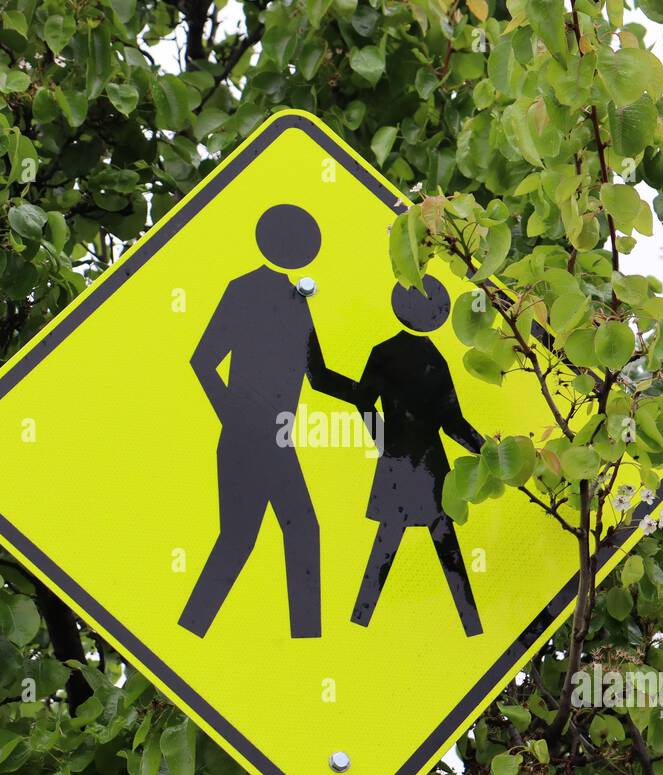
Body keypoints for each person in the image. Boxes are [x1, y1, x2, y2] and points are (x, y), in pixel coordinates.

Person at [179, 204, 357, 639]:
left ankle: (300, 641)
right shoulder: (243, 290)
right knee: (259, 537)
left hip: (273, 440)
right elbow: (202, 361)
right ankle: (192, 632)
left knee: (280, 534)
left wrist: (367, 394)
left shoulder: (297, 300)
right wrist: (235, 417)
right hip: (250, 439)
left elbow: (317, 375)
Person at [349, 275, 485, 637]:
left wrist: (385, 444)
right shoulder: (434, 360)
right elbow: (453, 422)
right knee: (445, 550)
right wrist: (488, 452)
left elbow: (363, 402)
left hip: (401, 465)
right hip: (428, 467)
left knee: (388, 547)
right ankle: (471, 626)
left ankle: (359, 621)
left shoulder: (385, 352)